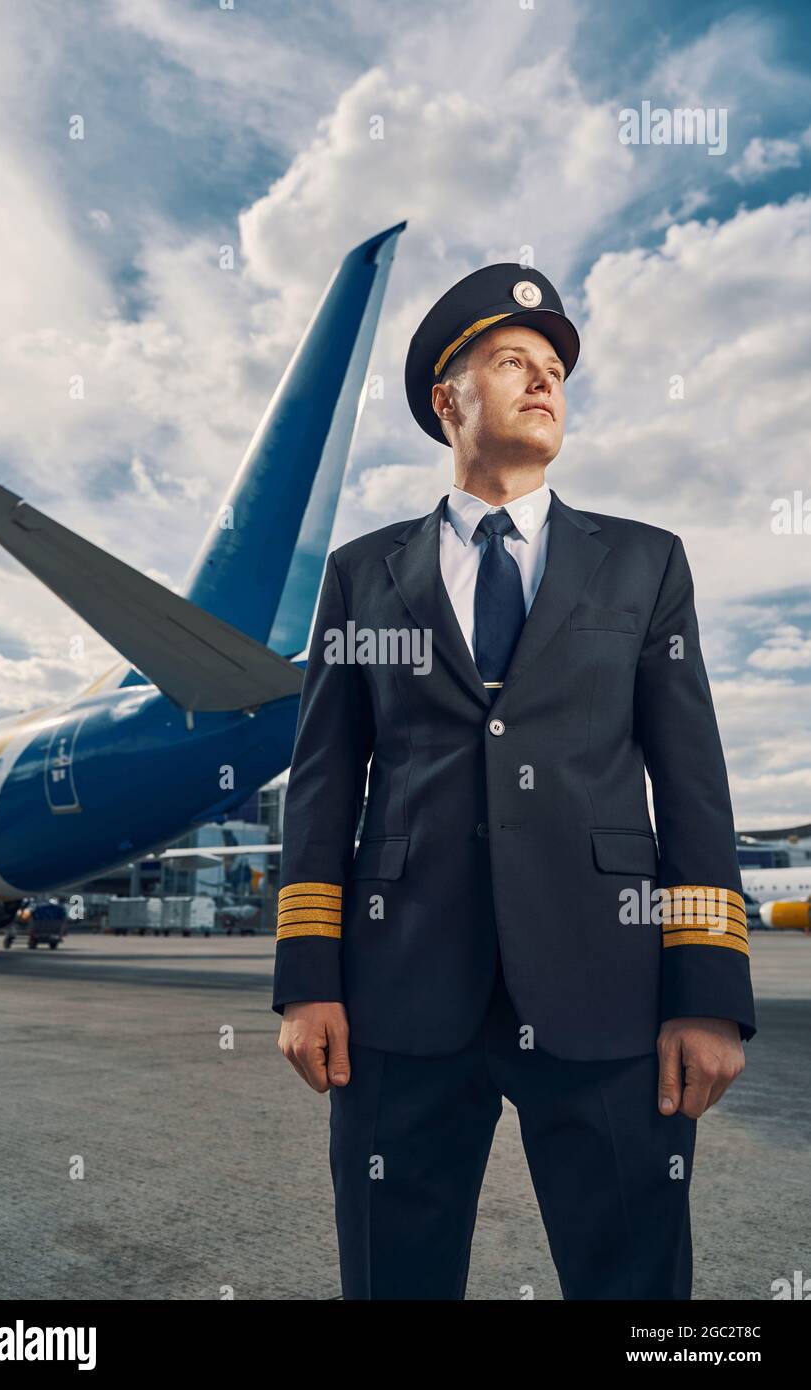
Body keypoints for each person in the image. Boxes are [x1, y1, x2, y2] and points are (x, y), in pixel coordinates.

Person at [273, 263, 755, 1300]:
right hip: (397, 994)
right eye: (509, 363)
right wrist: (308, 978)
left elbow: (692, 783)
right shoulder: (362, 572)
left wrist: (706, 993)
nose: (541, 382)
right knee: (392, 1275)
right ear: (446, 403)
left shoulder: (643, 564)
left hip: (607, 991)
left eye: (552, 370)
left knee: (634, 1283)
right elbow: (321, 780)